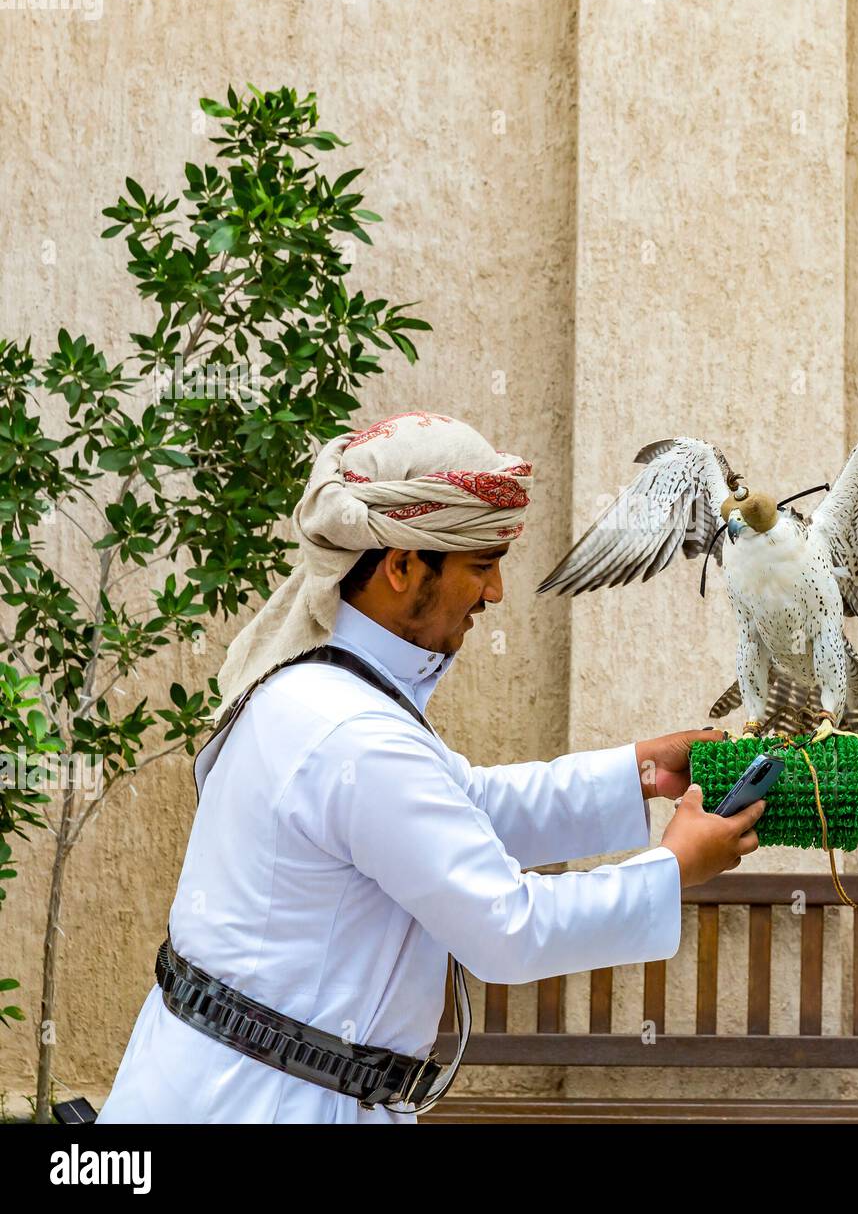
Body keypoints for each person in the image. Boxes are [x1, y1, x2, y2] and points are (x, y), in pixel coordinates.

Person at [98, 411, 763, 1123]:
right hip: (263, 1105)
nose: (497, 593)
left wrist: (638, 772)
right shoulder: (355, 733)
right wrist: (673, 867)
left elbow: (461, 804)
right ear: (401, 566)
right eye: (482, 565)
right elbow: (508, 930)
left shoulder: (319, 689)